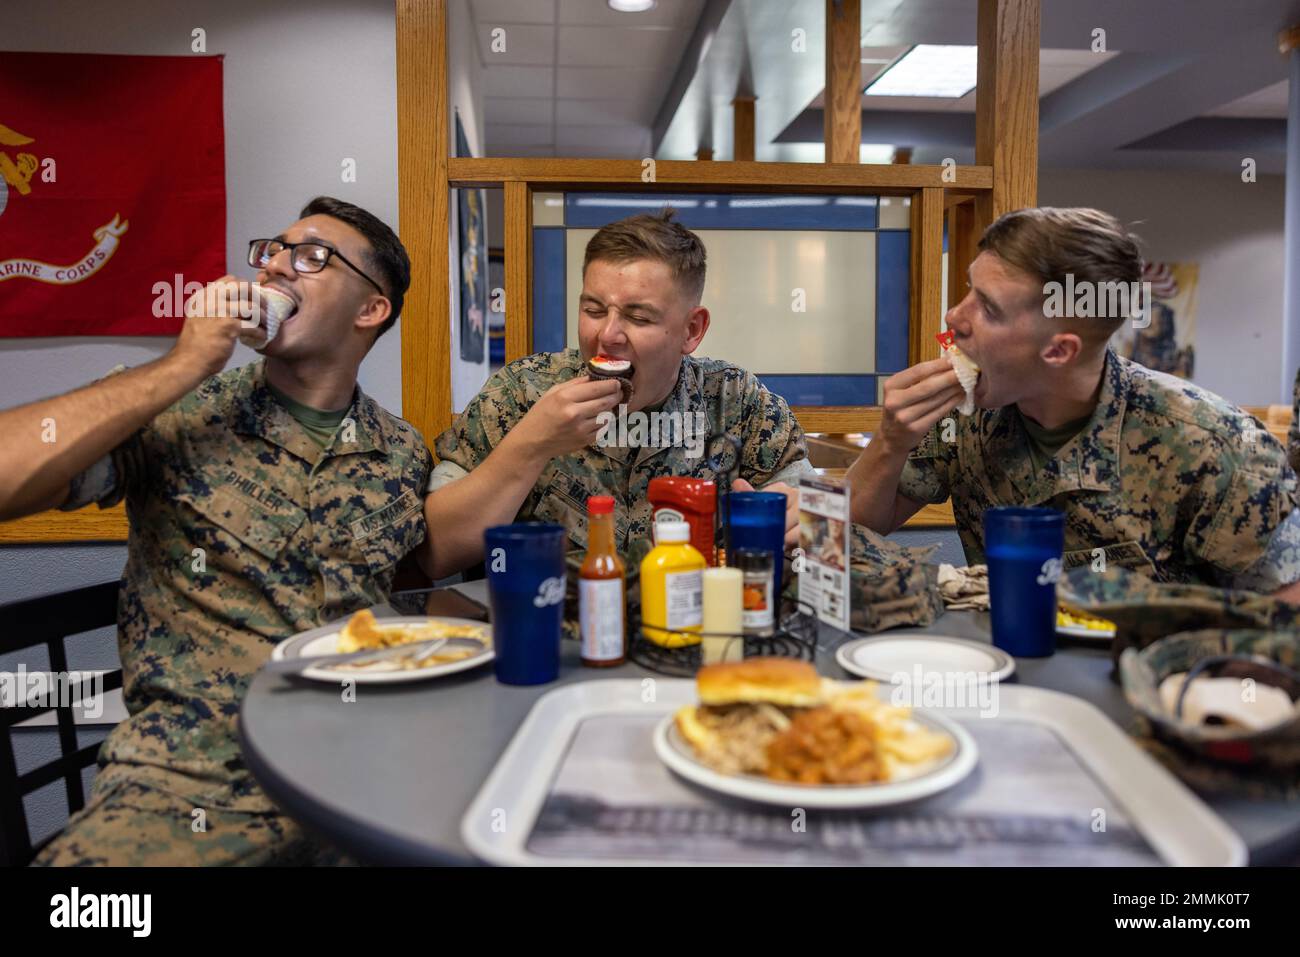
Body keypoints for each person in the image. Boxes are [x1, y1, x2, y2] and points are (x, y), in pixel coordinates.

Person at [1, 197, 430, 865]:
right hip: (189, 787)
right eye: (273, 251)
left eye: (311, 256)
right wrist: (184, 364)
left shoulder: (401, 454)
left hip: (358, 778)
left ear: (370, 309)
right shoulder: (176, 413)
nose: (277, 268)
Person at [847, 206, 1300, 599]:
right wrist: (890, 441)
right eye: (968, 289)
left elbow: (1286, 603)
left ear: (1059, 351)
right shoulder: (963, 414)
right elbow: (855, 526)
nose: (953, 317)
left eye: (988, 308)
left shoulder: (1214, 445)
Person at [419, 209, 816, 580]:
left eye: (638, 317)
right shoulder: (519, 392)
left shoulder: (737, 400)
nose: (606, 335)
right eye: (593, 310)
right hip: (549, 628)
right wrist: (531, 445)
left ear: (691, 330)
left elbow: (819, 529)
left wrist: (803, 517)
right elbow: (436, 553)